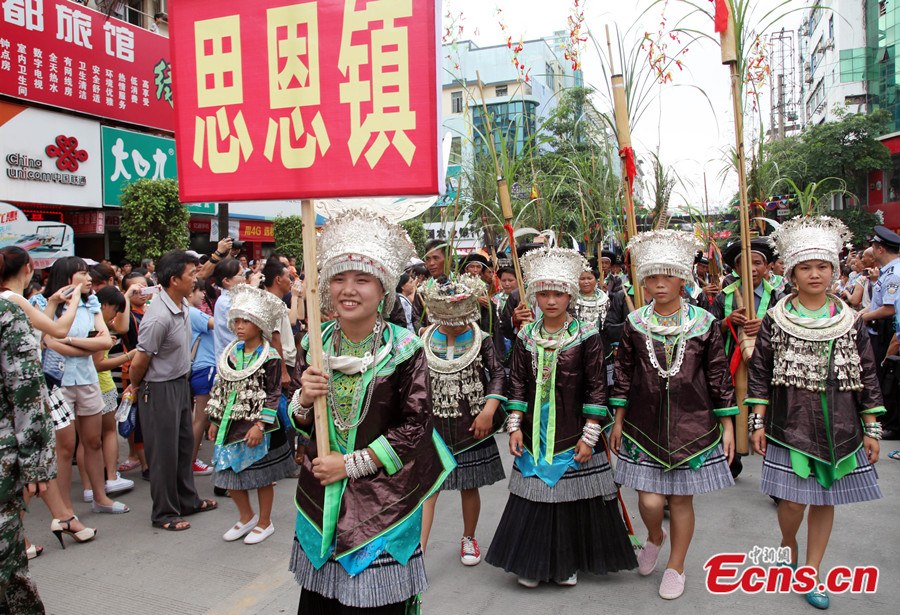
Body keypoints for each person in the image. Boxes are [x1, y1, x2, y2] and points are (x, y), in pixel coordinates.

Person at [288, 210, 453, 613]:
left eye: (362, 279)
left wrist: (349, 465)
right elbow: (300, 420)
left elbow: (416, 426)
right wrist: (304, 401)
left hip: (384, 498)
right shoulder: (314, 344)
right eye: (339, 278)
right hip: (322, 492)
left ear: (383, 291)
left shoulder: (404, 348)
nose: (348, 290)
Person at [747, 216, 884, 610]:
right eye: (805, 267)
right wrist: (757, 422)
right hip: (789, 423)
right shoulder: (776, 318)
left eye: (822, 266)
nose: (815, 274)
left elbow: (867, 372)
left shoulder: (850, 320)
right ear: (791, 273)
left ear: (833, 269)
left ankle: (812, 570)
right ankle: (788, 542)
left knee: (825, 499)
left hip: (839, 424)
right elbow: (760, 373)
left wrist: (871, 427)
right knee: (791, 503)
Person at [486, 247, 637, 588]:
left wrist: (590, 434)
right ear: (535, 296)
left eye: (558, 294)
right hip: (533, 432)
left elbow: (597, 387)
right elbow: (517, 383)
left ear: (570, 294)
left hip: (574, 431)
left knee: (571, 498)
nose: (551, 301)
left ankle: (568, 563)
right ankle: (532, 562)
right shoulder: (526, 336)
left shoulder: (587, 335)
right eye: (544, 294)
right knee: (536, 496)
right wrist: (514, 425)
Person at [608, 230, 736, 600]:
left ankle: (676, 566)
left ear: (683, 279)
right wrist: (618, 420)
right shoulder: (635, 323)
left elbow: (717, 375)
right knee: (649, 501)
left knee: (681, 500)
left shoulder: (704, 322)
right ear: (643, 282)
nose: (660, 284)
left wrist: (728, 425)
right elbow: (624, 374)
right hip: (642, 425)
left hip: (693, 425)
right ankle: (655, 536)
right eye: (652, 277)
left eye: (668, 276)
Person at [125, 251, 217, 531]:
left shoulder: (181, 304)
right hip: (158, 388)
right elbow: (139, 362)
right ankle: (163, 513)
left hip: (180, 383)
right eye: (190, 274)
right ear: (174, 280)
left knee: (183, 445)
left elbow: (203, 273)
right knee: (163, 452)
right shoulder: (159, 316)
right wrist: (137, 387)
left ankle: (187, 500)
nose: (195, 279)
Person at [418, 274, 506, 564]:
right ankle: (419, 551)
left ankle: (469, 537)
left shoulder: (482, 339)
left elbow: (498, 374)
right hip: (433, 428)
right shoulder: (424, 339)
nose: (454, 325)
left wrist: (488, 411)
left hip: (471, 426)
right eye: (447, 320)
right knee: (429, 489)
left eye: (459, 320)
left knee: (469, 485)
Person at [207, 284, 294, 544]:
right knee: (228, 473)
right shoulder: (231, 353)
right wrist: (215, 420)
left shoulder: (270, 356)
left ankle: (265, 522)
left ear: (259, 324)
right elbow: (222, 387)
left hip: (257, 426)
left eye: (246, 321)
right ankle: (246, 516)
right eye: (237, 321)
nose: (240, 326)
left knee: (261, 477)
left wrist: (260, 425)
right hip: (230, 423)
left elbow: (273, 392)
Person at [42, 257, 127, 515]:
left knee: (93, 441)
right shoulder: (45, 304)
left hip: (87, 379)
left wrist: (68, 341)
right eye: (82, 273)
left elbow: (104, 342)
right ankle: (65, 508)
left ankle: (100, 498)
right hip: (59, 382)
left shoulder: (91, 303)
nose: (89, 278)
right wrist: (85, 346)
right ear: (66, 277)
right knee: (65, 447)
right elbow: (48, 342)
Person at [0, 292, 55, 614]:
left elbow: (27, 388)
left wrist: (34, 462)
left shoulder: (5, 314)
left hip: (3, 464)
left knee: (6, 569)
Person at [711, 238, 782, 478]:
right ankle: (732, 460)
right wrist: (726, 322)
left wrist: (767, 325)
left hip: (767, 364)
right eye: (745, 263)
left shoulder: (779, 297)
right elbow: (708, 330)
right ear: (736, 268)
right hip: (733, 363)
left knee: (768, 412)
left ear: (768, 266)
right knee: (734, 410)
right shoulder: (724, 297)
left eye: (758, 263)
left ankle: (775, 469)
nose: (752, 269)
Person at [83, 286, 136, 503]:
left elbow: (121, 326)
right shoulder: (98, 327)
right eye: (114, 309)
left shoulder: (85, 321)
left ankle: (88, 487)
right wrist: (129, 356)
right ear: (103, 305)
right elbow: (99, 364)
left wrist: (127, 295)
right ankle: (111, 477)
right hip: (102, 386)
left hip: (85, 386)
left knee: (85, 441)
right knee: (107, 433)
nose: (115, 315)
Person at [188, 280, 216, 476]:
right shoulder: (193, 313)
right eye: (200, 291)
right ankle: (191, 461)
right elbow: (220, 324)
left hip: (197, 368)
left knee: (198, 418)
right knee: (200, 419)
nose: (202, 295)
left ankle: (188, 460)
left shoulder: (185, 312)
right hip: (204, 368)